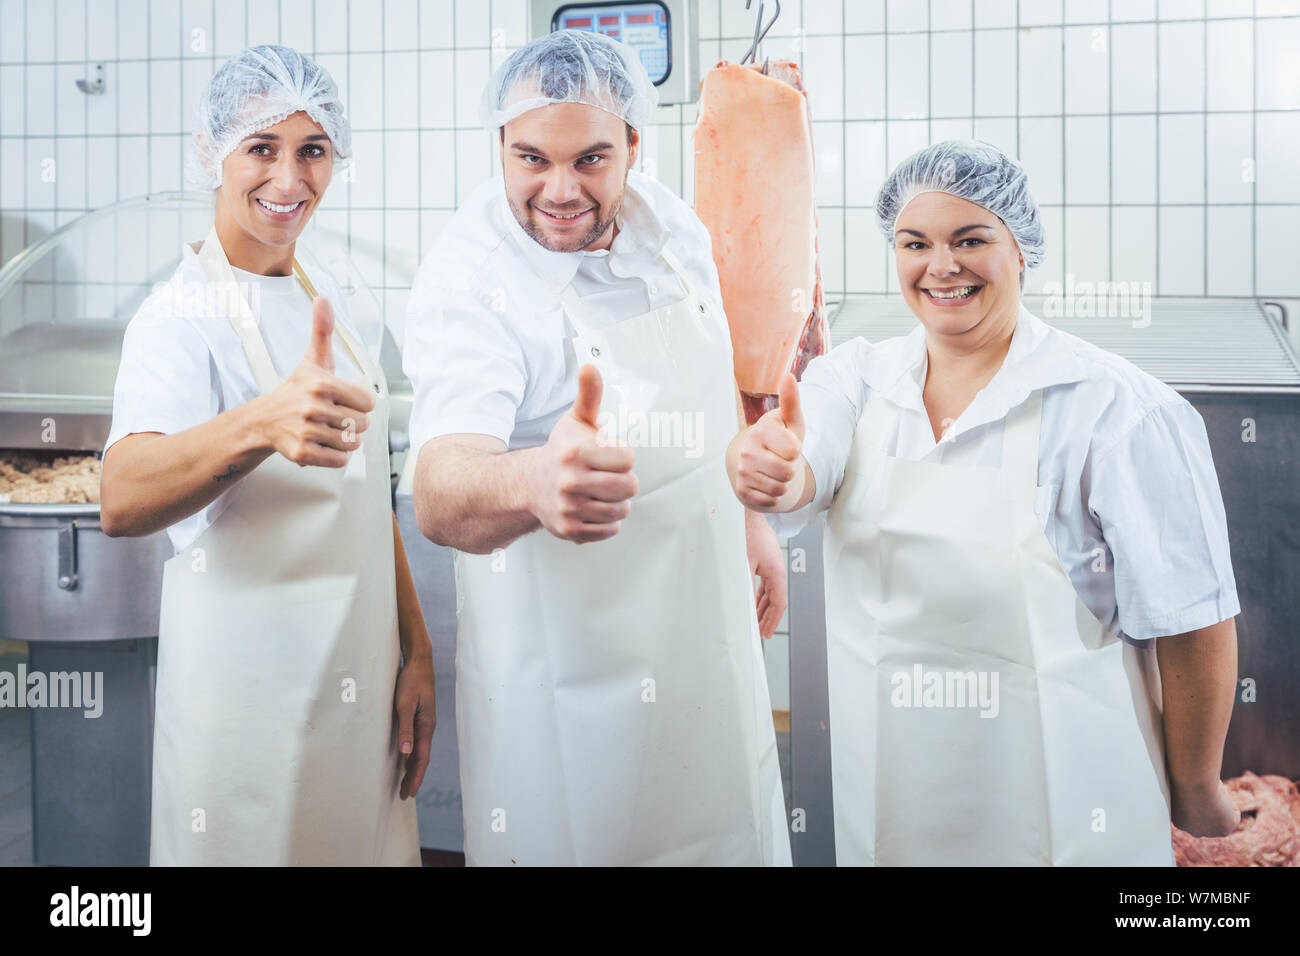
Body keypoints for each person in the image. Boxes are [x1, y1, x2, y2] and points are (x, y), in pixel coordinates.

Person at [727, 139, 1241, 866]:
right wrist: (770, 474)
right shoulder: (854, 381)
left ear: (1021, 249)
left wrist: (1194, 781)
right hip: (890, 802)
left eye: (971, 239)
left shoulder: (1118, 410)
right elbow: (802, 468)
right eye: (916, 243)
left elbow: (1193, 616)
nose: (941, 266)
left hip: (1070, 806)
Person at [404, 30, 791, 866]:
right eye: (532, 158)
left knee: (723, 827)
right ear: (499, 146)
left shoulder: (671, 225)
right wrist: (536, 479)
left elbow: (714, 366)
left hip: (700, 627)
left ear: (634, 149)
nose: (560, 189)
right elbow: (438, 489)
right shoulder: (470, 279)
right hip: (565, 672)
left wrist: (747, 522)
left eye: (591, 159)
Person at [100, 45, 432, 866]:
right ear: (214, 153)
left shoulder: (335, 300)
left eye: (312, 150)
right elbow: (122, 496)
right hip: (246, 712)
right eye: (262, 148)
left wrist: (414, 648)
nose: (289, 180)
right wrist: (258, 424)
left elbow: (368, 494)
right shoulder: (176, 317)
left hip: (357, 692)